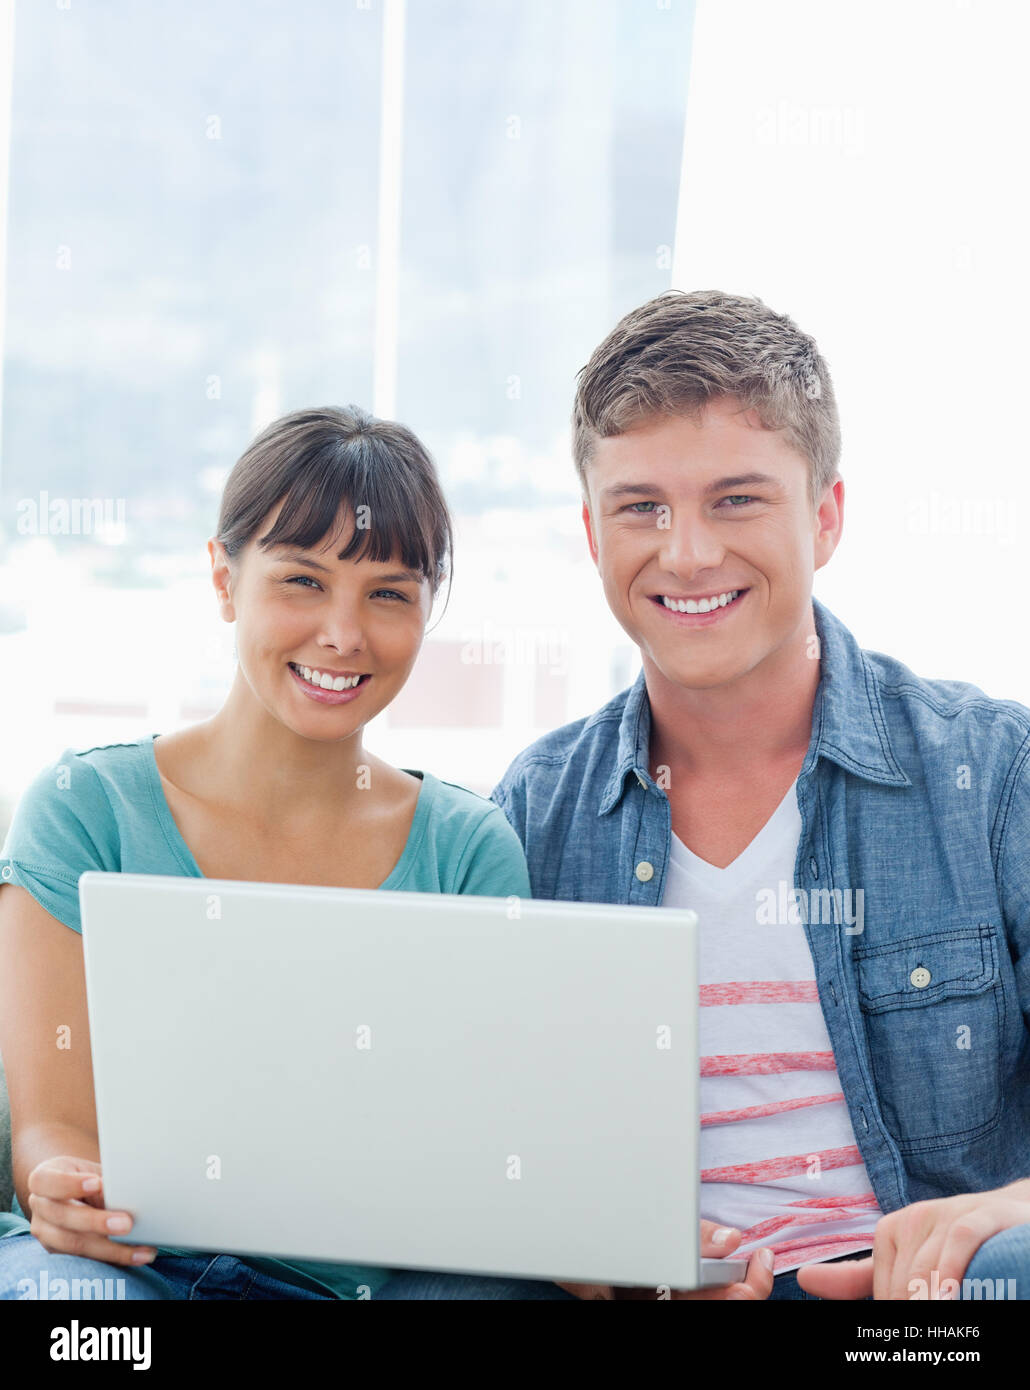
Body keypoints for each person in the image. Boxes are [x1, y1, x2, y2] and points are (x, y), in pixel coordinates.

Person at [492, 289, 1030, 1302]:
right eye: (640, 506)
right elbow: (495, 1147)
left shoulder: (992, 775)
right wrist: (598, 1258)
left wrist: (1009, 1212)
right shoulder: (533, 810)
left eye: (735, 499)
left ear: (824, 517)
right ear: (591, 530)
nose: (687, 552)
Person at [0, 404, 575, 1301]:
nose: (343, 634)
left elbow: (484, 1156)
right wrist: (63, 1188)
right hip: (134, 1264)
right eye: (302, 581)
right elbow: (54, 1129)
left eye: (388, 593)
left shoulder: (467, 852)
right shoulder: (85, 812)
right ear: (224, 581)